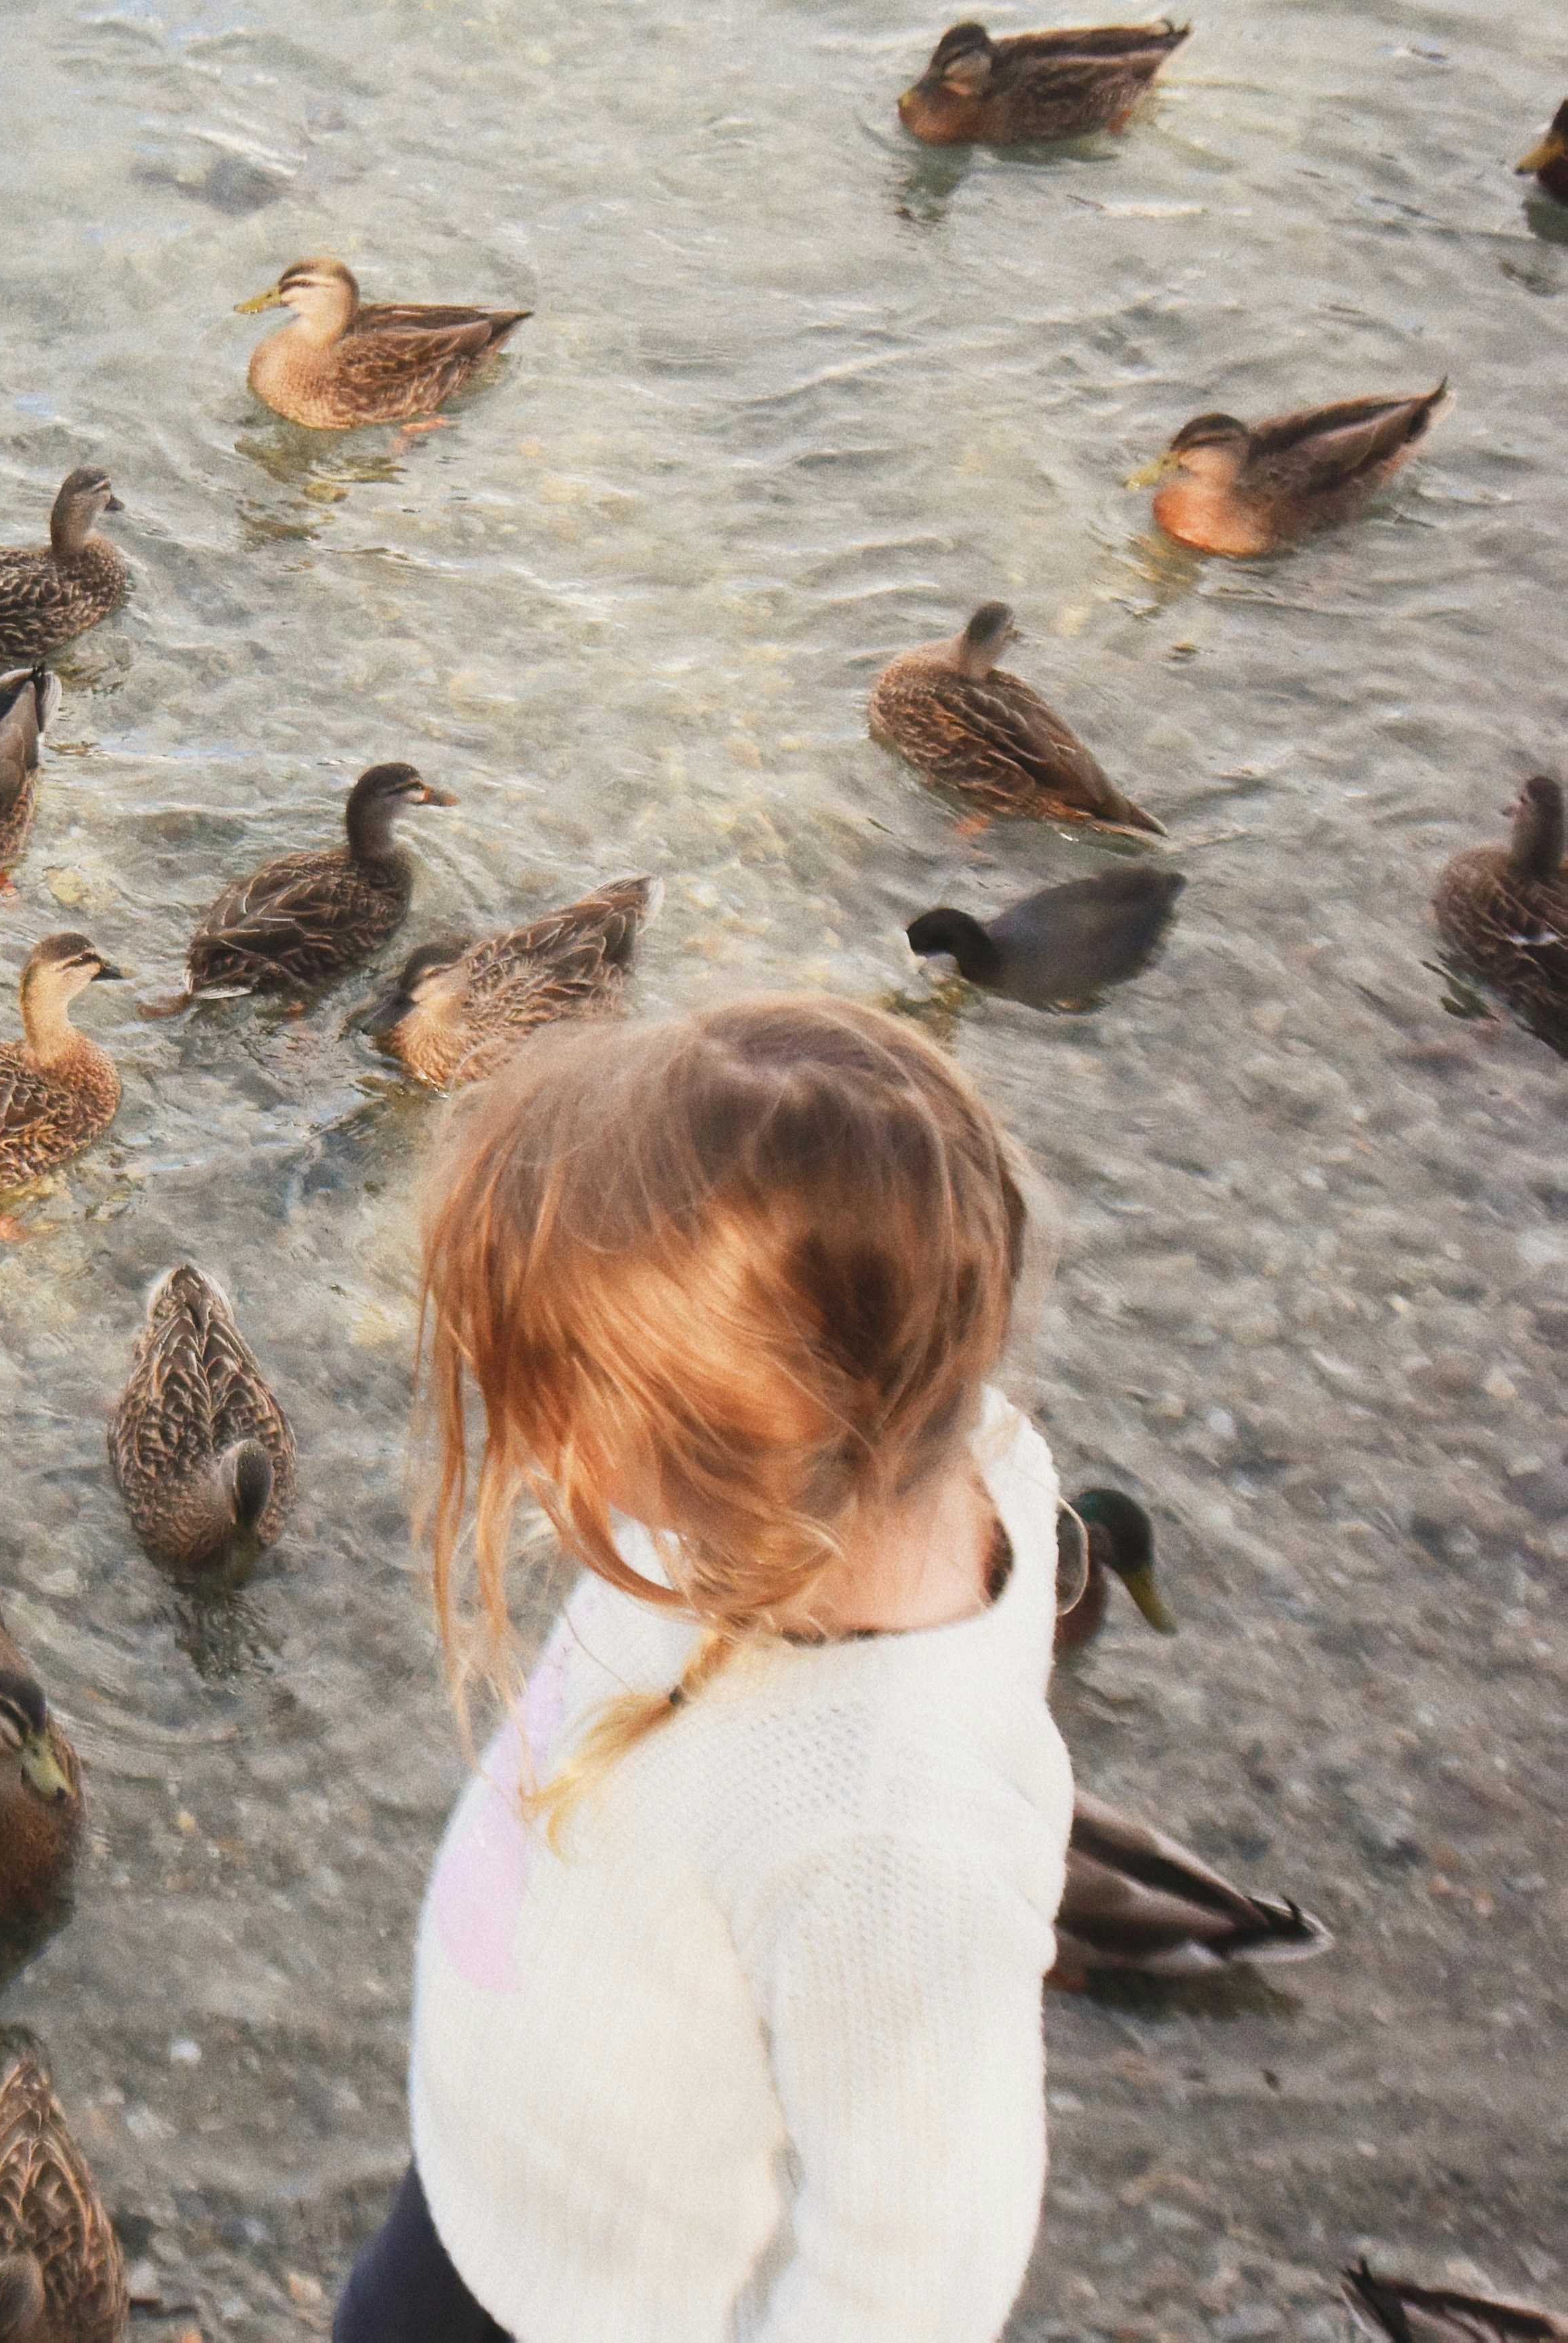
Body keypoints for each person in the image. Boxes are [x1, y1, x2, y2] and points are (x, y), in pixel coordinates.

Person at [336, 995, 1075, 2342]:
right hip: (503, 2209)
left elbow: (914, 2279)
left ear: (743, 1438)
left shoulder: (886, 1837)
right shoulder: (845, 1468)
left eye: (564, 1389)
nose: (530, 1434)